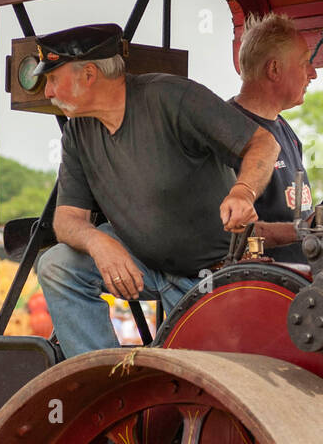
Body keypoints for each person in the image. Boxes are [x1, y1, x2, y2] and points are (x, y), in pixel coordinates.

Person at [33, 23, 280, 357]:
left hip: (210, 276)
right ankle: (103, 376)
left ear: (89, 74)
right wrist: (98, 242)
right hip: (144, 264)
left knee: (204, 380)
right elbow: (66, 220)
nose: (47, 92)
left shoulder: (171, 97)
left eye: (52, 79)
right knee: (57, 265)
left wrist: (243, 191)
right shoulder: (77, 133)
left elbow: (264, 143)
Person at [229, 13, 317, 263]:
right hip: (262, 280)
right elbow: (226, 232)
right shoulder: (225, 132)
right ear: (274, 69)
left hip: (304, 274)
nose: (313, 73)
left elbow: (297, 214)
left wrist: (318, 223)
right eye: (304, 62)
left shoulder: (286, 131)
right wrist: (303, 231)